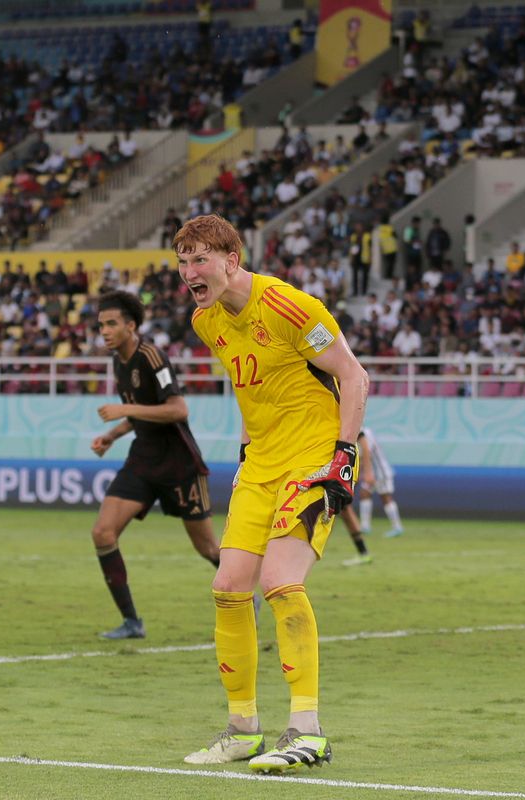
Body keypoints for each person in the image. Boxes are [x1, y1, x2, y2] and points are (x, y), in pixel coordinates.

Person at [176, 214, 369, 772]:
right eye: (183, 262)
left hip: (312, 459)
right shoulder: (206, 321)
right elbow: (249, 390)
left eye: (199, 260)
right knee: (228, 586)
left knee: (280, 581)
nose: (190, 272)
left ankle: (308, 732)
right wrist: (243, 457)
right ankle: (243, 731)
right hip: (259, 465)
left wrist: (344, 457)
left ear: (231, 260)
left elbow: (353, 377)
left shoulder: (290, 306)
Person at [90, 290, 220, 640]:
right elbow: (139, 411)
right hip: (144, 459)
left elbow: (177, 409)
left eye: (111, 323)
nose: (104, 330)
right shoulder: (119, 361)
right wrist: (113, 435)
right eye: (101, 324)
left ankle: (246, 591)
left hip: (178, 463)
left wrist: (125, 411)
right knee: (103, 533)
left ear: (131, 326)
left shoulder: (152, 357)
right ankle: (132, 622)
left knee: (208, 549)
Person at [355, 428, 404, 538]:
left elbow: (367, 452)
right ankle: (365, 526)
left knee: (385, 497)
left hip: (380, 471)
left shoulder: (364, 433)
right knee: (364, 493)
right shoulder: (360, 431)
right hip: (373, 471)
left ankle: (397, 527)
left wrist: (363, 472)